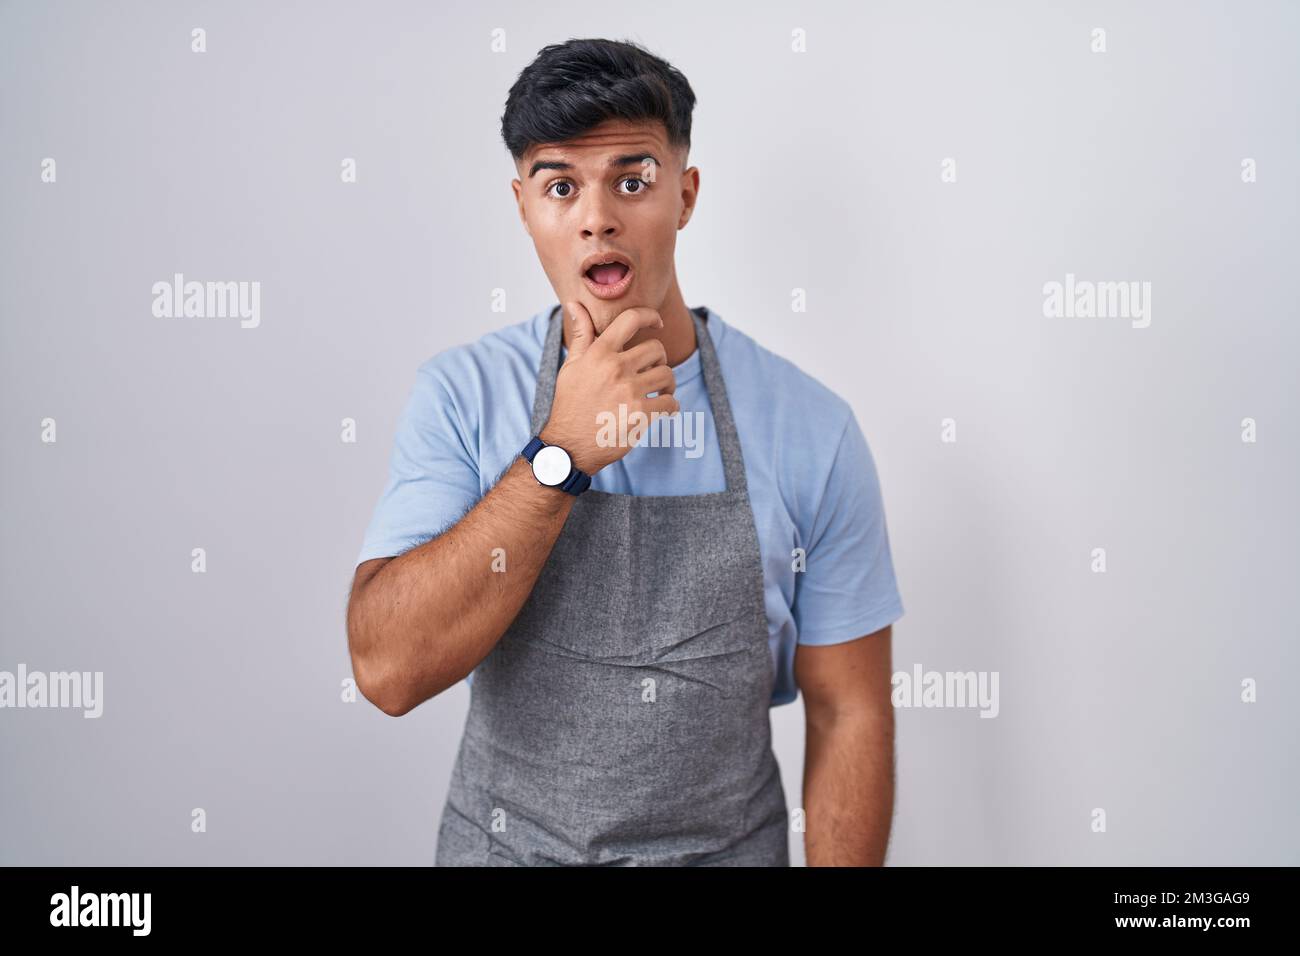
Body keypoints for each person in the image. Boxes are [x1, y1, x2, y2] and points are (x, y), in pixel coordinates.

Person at [346, 37, 904, 866]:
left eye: (632, 180)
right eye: (560, 184)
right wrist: (560, 452)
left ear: (686, 195)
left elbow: (847, 709)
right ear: (523, 205)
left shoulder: (811, 428)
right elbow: (387, 669)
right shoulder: (460, 398)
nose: (597, 215)